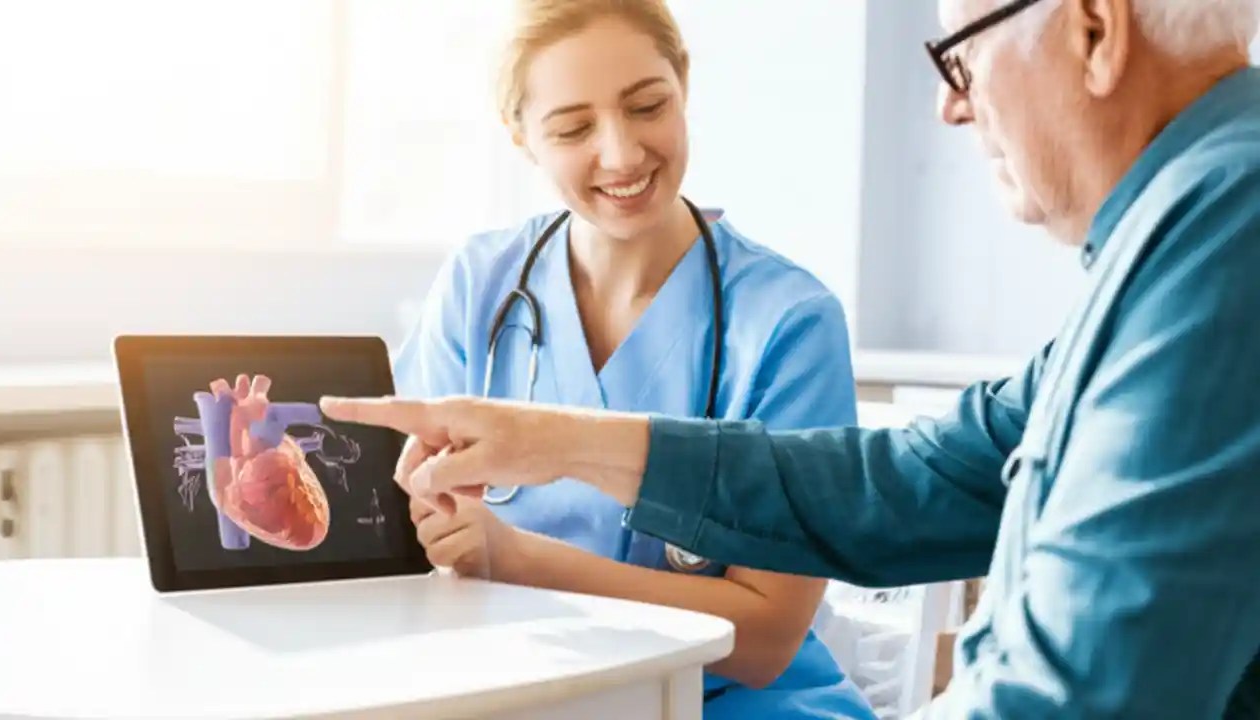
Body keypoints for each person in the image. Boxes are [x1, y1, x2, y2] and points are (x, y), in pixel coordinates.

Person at [324, 0, 1260, 716]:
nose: (950, 106)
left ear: (1096, 29)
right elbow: (914, 479)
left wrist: (519, 547)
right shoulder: (1171, 241)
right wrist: (565, 440)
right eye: (570, 125)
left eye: (961, 57)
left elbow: (1085, 689)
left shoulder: (1231, 237)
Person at [387, 1, 875, 717]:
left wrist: (514, 560)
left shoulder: (788, 323)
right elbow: (406, 532)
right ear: (521, 136)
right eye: (573, 127)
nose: (621, 154)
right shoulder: (479, 286)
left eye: (648, 105)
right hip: (522, 694)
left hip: (731, 704)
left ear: (683, 85)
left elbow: (767, 637)